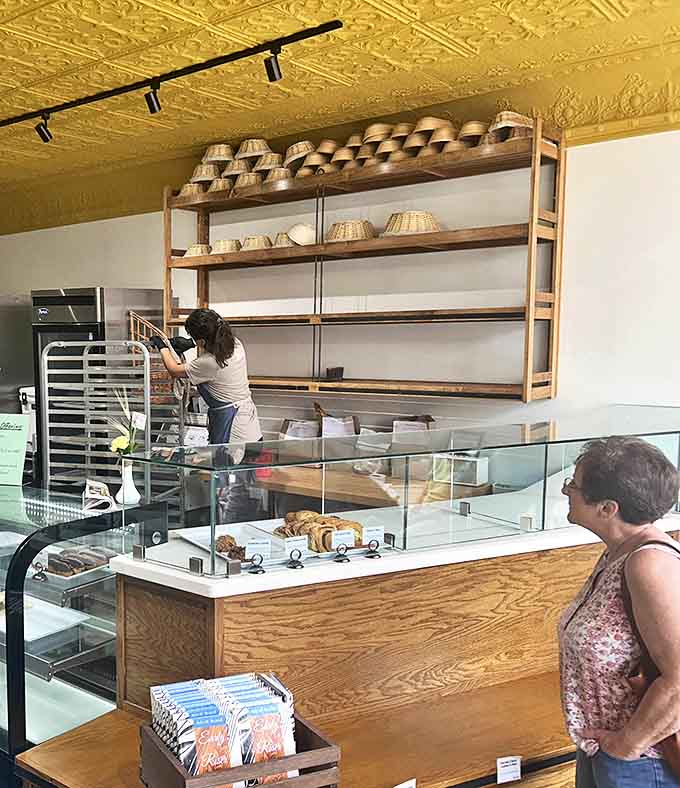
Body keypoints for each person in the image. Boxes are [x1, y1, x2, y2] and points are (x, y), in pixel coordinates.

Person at [558, 436, 680, 788]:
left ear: (608, 508)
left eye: (574, 485)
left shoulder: (650, 564)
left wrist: (627, 746)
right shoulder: (621, 552)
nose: (567, 491)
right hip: (605, 748)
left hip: (642, 762)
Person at [150, 309, 263, 522]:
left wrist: (164, 348)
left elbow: (174, 370)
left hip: (233, 435)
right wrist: (191, 344)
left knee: (227, 494)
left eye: (196, 339)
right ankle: (242, 534)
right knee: (245, 492)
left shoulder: (210, 363)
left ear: (202, 339)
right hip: (252, 431)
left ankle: (226, 535)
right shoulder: (236, 345)